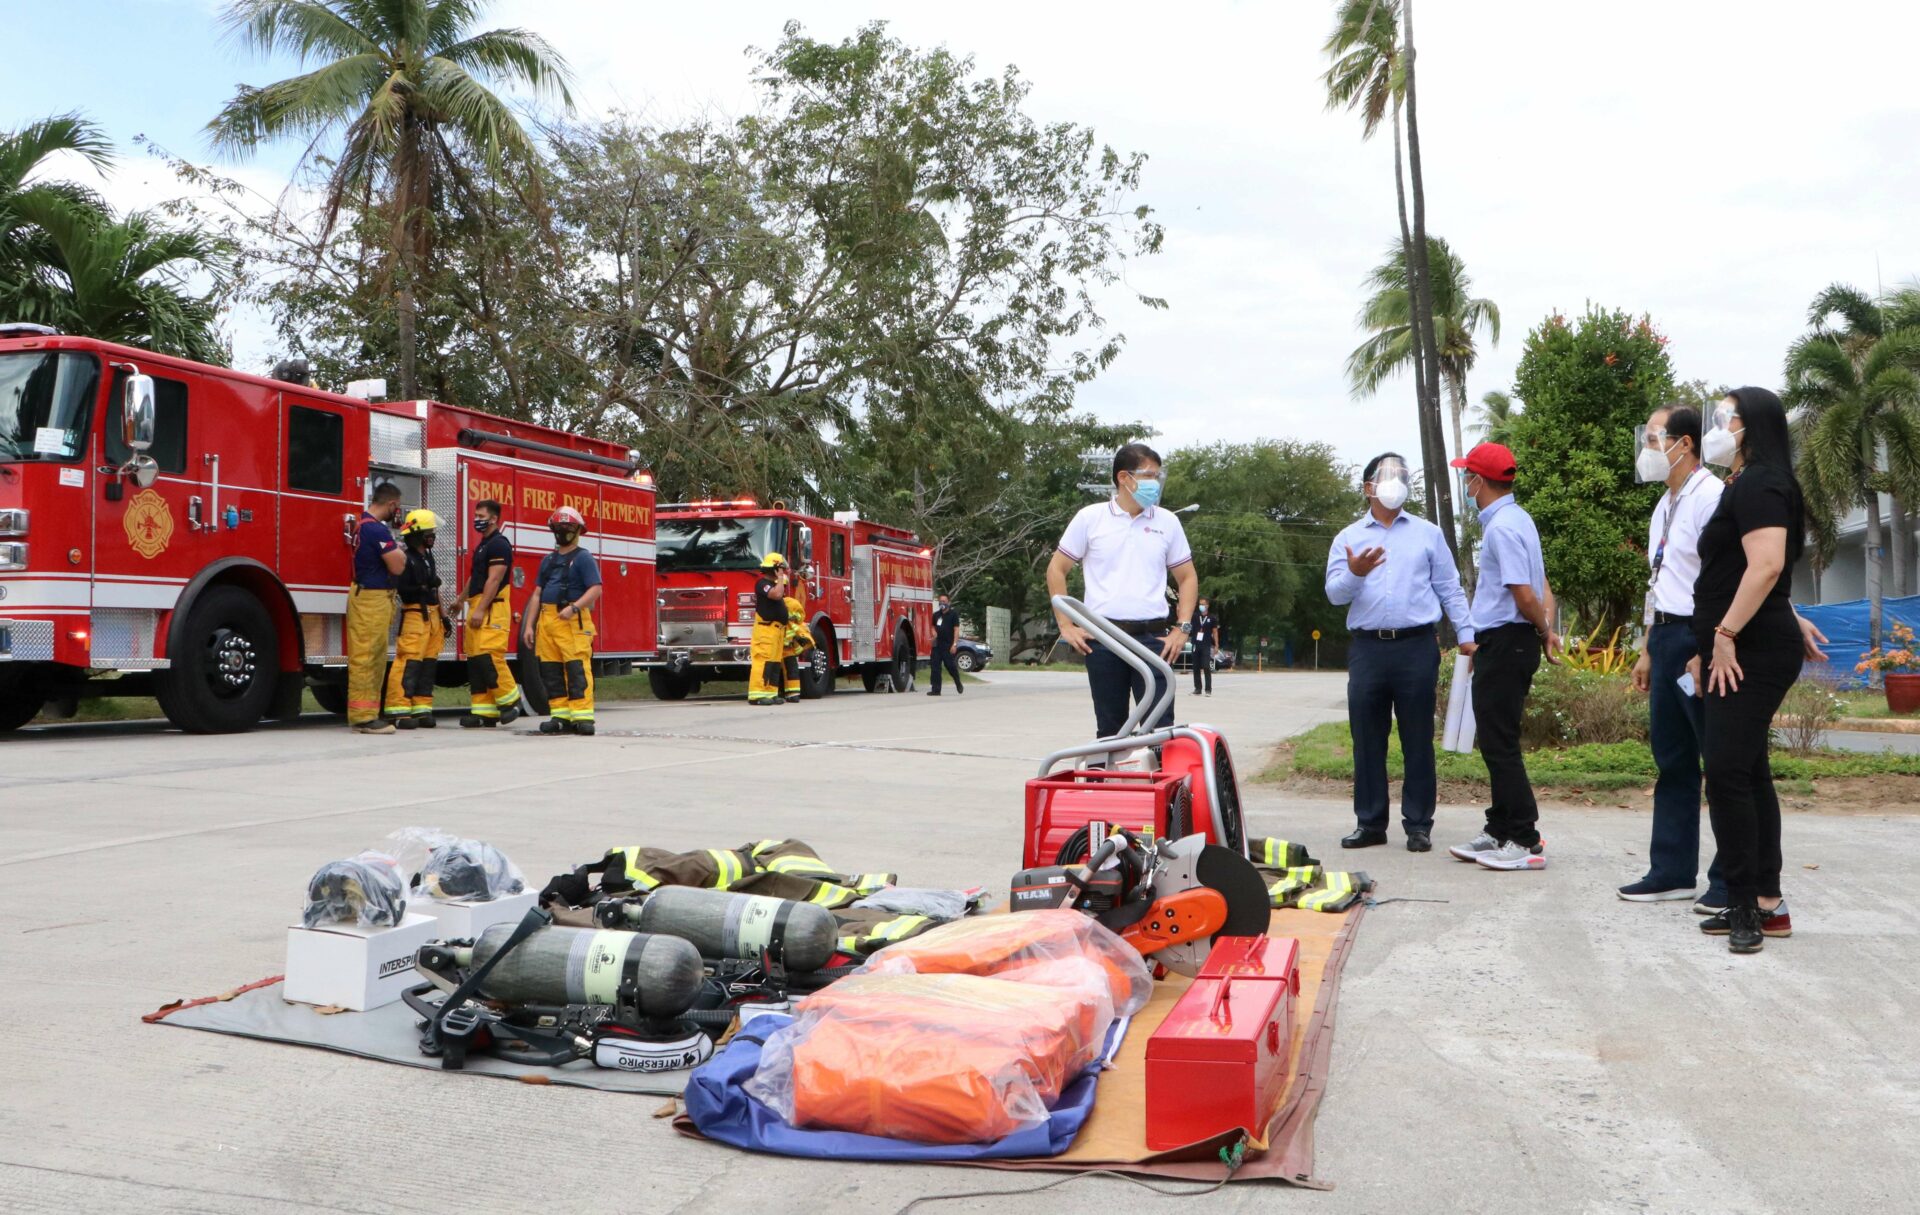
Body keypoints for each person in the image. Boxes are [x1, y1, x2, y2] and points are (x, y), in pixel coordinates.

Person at [1691, 387, 1809, 954]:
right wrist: (1708, 639)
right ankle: (1768, 902)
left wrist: (1724, 635)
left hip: (1749, 649)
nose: (1718, 425)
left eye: (1725, 417)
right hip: (1735, 644)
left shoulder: (1762, 482)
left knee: (1729, 773)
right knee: (1749, 771)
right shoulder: (1744, 483)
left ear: (1752, 426)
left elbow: (1765, 567)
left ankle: (1743, 904)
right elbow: (1738, 569)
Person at [1325, 452, 1476, 853]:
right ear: (1368, 487)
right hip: (1367, 649)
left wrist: (1466, 633)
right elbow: (1334, 594)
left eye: (1402, 474)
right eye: (1387, 475)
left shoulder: (1427, 533)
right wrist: (1355, 574)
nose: (1396, 481)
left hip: (1416, 646)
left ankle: (1419, 824)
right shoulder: (1348, 537)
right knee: (1367, 739)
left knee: (1417, 737)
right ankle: (1370, 823)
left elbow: (1449, 587)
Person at [1621, 407, 1726, 903]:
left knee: (1721, 759)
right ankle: (1671, 870)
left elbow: (1721, 580)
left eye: (1653, 438)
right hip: (1664, 637)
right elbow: (1659, 580)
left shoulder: (1712, 498)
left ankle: (1730, 877)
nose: (1647, 449)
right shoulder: (1664, 505)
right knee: (1672, 758)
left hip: (1697, 638)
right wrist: (1646, 648)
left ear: (1683, 443)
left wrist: (1709, 648)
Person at [1446, 442, 1563, 871]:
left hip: (1509, 639)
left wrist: (1543, 628)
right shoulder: (1518, 519)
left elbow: (1525, 592)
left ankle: (1525, 839)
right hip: (1507, 639)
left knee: (1501, 744)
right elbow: (1540, 580)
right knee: (1496, 740)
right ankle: (1498, 828)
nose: (1465, 482)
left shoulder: (1501, 527)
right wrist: (1544, 629)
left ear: (1479, 481)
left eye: (1467, 476)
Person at [1047, 443, 1199, 745]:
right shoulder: (1091, 518)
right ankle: (1107, 787)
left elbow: (1187, 577)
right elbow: (1056, 569)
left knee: (1158, 731)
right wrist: (1066, 625)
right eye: (1148, 475)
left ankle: (1156, 788)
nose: (1154, 483)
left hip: (1153, 640)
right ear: (1123, 477)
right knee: (1110, 731)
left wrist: (1182, 627)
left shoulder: (1167, 522)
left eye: (1157, 476)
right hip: (1103, 640)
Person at [520, 505, 601, 735]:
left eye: (567, 527)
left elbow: (595, 589)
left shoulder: (583, 558)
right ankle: (560, 715)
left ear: (578, 530)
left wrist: (574, 608)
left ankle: (583, 717)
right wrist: (529, 626)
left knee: (576, 670)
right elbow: (537, 593)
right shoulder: (548, 561)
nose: (562, 531)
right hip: (547, 622)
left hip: (573, 622)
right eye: (558, 527)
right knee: (551, 671)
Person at [346, 483, 407, 734]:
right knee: (368, 657)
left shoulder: (362, 525)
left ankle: (367, 712)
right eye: (398, 507)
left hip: (367, 597)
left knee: (371, 656)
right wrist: (400, 553)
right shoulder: (376, 530)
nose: (398, 512)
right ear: (391, 504)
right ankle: (363, 717)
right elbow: (398, 566)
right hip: (372, 600)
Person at [383, 510, 448, 729]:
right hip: (414, 615)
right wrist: (422, 589)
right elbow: (403, 588)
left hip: (432, 617)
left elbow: (434, 589)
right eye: (430, 532)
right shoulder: (406, 558)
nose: (433, 536)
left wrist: (444, 616)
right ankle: (398, 710)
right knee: (408, 662)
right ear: (418, 533)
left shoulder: (428, 557)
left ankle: (422, 710)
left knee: (428, 665)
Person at [461, 499, 521, 728]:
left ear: (494, 518)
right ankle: (484, 712)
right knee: (475, 660)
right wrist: (460, 601)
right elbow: (476, 577)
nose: (477, 519)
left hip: (491, 608)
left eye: (481, 515)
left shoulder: (499, 545)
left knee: (489, 655)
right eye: (476, 515)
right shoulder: (484, 545)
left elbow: (494, 579)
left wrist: (481, 608)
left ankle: (511, 700)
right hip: (478, 605)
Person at [748, 554, 790, 706]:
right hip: (765, 629)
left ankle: (770, 693)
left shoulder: (774, 583)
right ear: (774, 568)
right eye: (780, 568)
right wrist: (780, 578)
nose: (783, 571)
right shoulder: (762, 583)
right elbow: (776, 595)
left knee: (774, 663)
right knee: (763, 661)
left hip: (776, 631)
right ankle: (757, 694)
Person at [928, 593, 964, 696]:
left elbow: (956, 630)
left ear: (948, 602)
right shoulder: (936, 615)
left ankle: (957, 681)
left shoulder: (953, 615)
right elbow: (932, 627)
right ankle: (936, 689)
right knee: (935, 667)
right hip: (937, 645)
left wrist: (954, 644)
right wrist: (933, 632)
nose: (942, 603)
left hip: (948, 645)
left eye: (944, 601)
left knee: (950, 666)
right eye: (940, 601)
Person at [781, 593, 814, 702]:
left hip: (780, 648)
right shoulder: (791, 604)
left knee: (787, 670)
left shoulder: (788, 604)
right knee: (790, 670)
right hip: (782, 647)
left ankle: (792, 693)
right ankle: (792, 694)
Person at [1191, 598, 1218, 696]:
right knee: (1196, 667)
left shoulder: (1212, 618)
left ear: (1207, 605)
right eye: (1200, 604)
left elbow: (1215, 632)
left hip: (1206, 645)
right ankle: (1198, 688)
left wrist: (1216, 645)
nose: (1201, 606)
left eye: (1203, 604)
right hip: (1195, 644)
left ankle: (1208, 690)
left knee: (1206, 666)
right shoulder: (1195, 616)